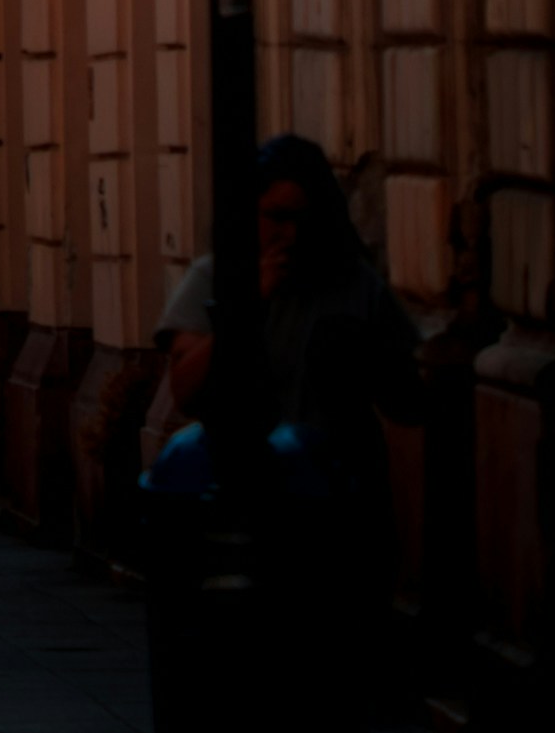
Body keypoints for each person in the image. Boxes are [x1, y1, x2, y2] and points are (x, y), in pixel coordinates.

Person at [140, 133, 419, 708]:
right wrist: (248, 307)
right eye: (274, 216)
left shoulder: (353, 288)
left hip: (338, 518)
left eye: (301, 218)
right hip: (245, 513)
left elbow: (406, 398)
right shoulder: (213, 279)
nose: (287, 233)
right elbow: (186, 388)